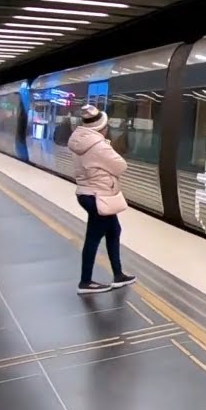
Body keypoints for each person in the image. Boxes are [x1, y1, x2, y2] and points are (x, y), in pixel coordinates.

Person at [68, 104, 135, 294]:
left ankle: (118, 275)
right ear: (101, 127)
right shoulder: (99, 146)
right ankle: (85, 282)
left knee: (114, 230)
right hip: (98, 195)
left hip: (87, 193)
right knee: (93, 238)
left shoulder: (78, 140)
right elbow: (121, 166)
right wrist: (108, 148)